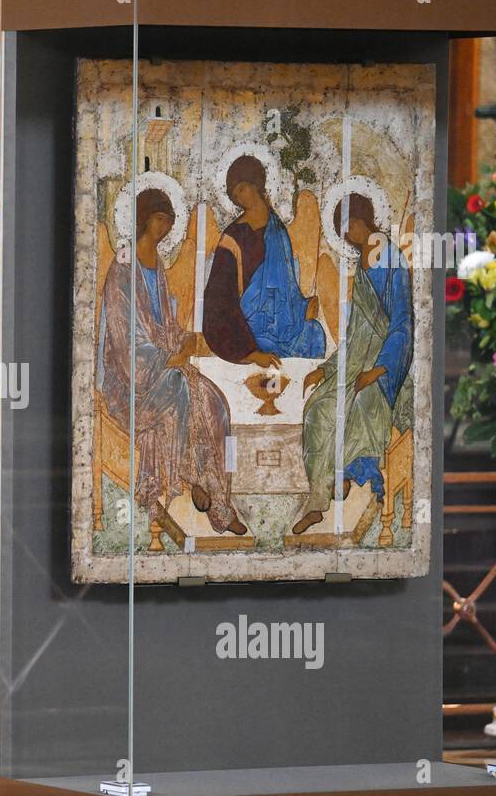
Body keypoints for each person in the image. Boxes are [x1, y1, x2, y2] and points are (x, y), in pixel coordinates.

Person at [99, 187, 246, 535]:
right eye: (159, 218)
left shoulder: (157, 264)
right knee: (178, 388)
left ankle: (219, 495)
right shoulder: (123, 265)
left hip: (164, 364)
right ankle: (193, 480)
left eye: (170, 220)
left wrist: (185, 341)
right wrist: (167, 357)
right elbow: (123, 338)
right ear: (144, 218)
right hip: (130, 378)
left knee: (216, 403)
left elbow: (163, 324)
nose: (165, 226)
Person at [293, 193, 413, 535]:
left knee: (362, 403)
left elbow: (403, 323)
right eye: (342, 232)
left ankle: (343, 476)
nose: (348, 236)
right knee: (318, 408)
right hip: (358, 362)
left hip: (390, 367)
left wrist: (380, 369)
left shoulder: (390, 258)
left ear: (364, 220)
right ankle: (318, 498)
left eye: (350, 227)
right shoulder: (363, 266)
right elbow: (355, 334)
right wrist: (328, 369)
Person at [203, 154, 326, 366]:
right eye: (235, 195)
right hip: (250, 326)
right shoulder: (233, 237)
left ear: (255, 183)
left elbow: (288, 287)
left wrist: (303, 306)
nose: (240, 198)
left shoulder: (277, 229)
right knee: (267, 344)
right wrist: (249, 352)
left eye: (242, 189)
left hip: (283, 321)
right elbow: (219, 298)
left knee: (315, 335)